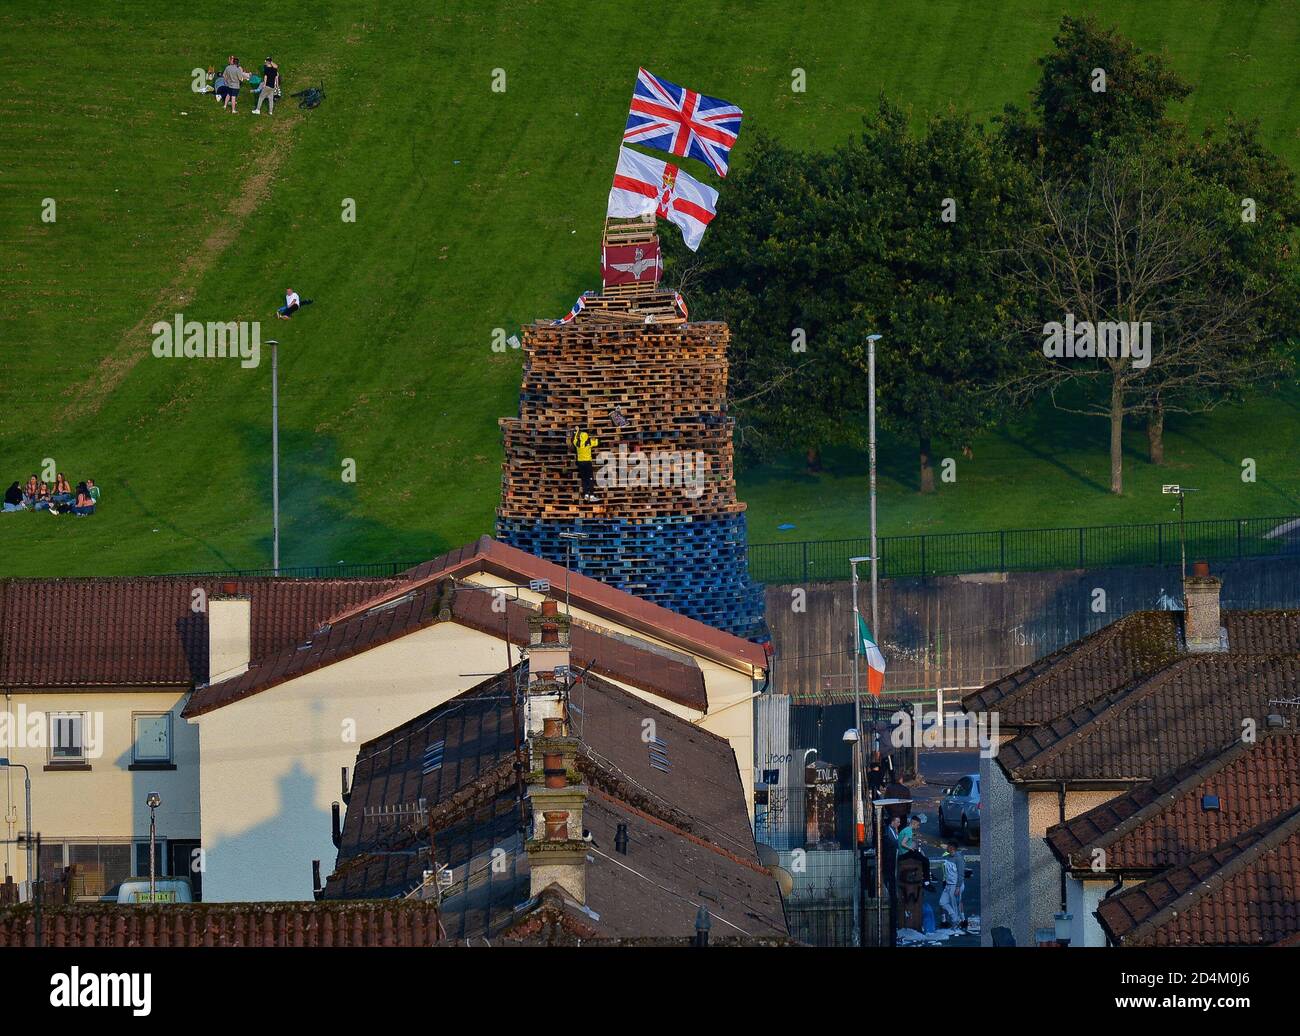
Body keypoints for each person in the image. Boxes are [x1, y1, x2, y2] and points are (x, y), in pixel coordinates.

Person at [938, 841, 965, 929]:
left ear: (952, 848)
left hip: (955, 885)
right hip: (948, 884)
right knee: (942, 902)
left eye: (948, 846)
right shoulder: (948, 857)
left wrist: (958, 887)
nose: (947, 848)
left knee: (955, 905)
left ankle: (956, 924)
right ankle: (954, 917)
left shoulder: (959, 858)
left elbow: (961, 873)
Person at [572, 429, 599, 501]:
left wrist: (577, 431)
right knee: (590, 478)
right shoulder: (589, 442)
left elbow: (574, 437)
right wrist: (595, 437)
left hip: (580, 463)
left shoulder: (577, 443)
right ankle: (592, 495)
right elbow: (597, 442)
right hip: (587, 463)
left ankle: (586, 494)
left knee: (584, 479)